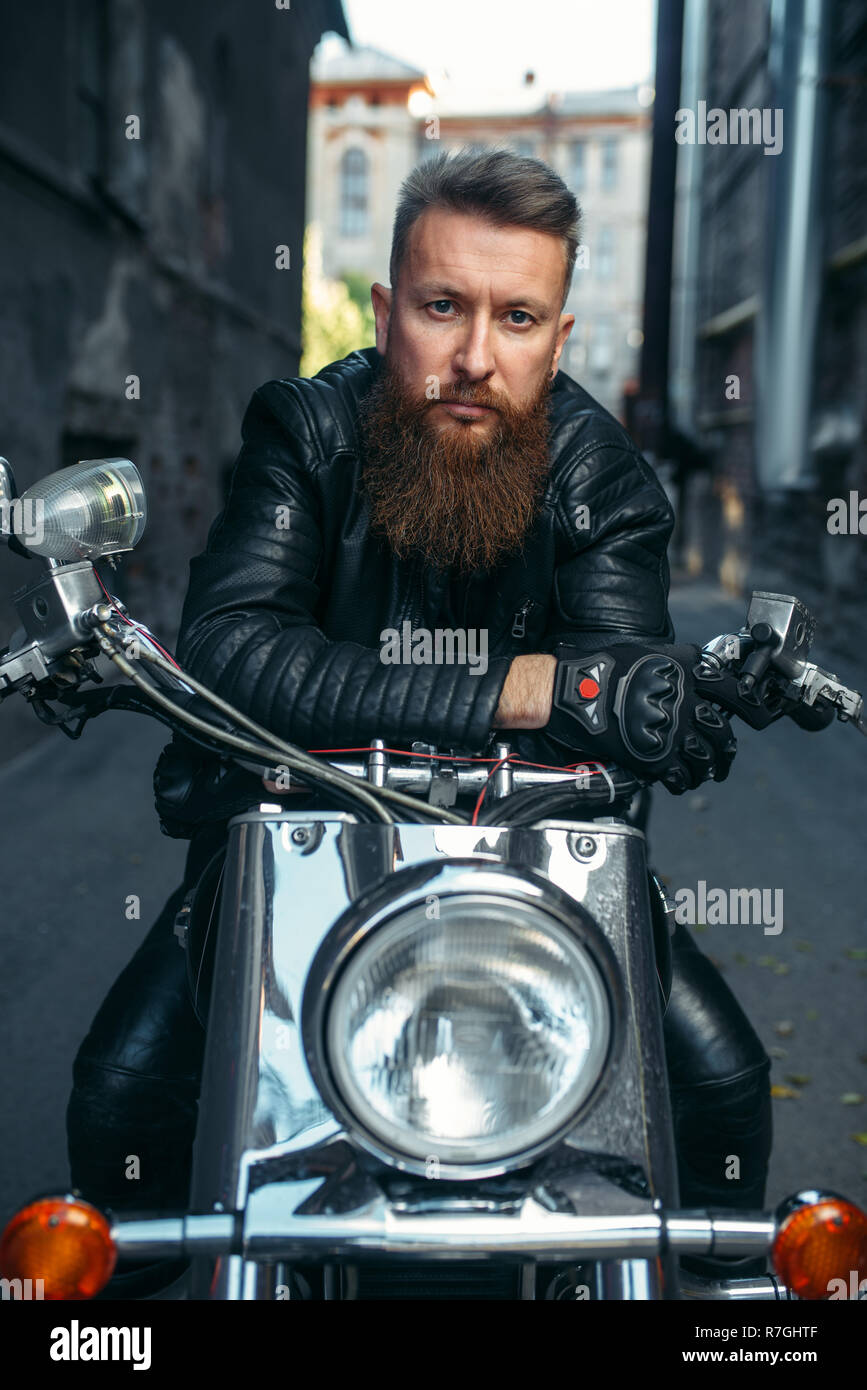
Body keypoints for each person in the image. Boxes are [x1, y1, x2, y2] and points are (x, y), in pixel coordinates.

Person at [67, 146, 779, 1297]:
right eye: (444, 306)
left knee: (723, 1086)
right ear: (388, 310)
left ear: (561, 337)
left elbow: (627, 699)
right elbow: (235, 649)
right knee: (119, 1098)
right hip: (291, 845)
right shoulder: (307, 429)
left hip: (540, 869)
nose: (475, 357)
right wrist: (525, 691)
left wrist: (615, 703)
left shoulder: (602, 475)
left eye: (519, 317)